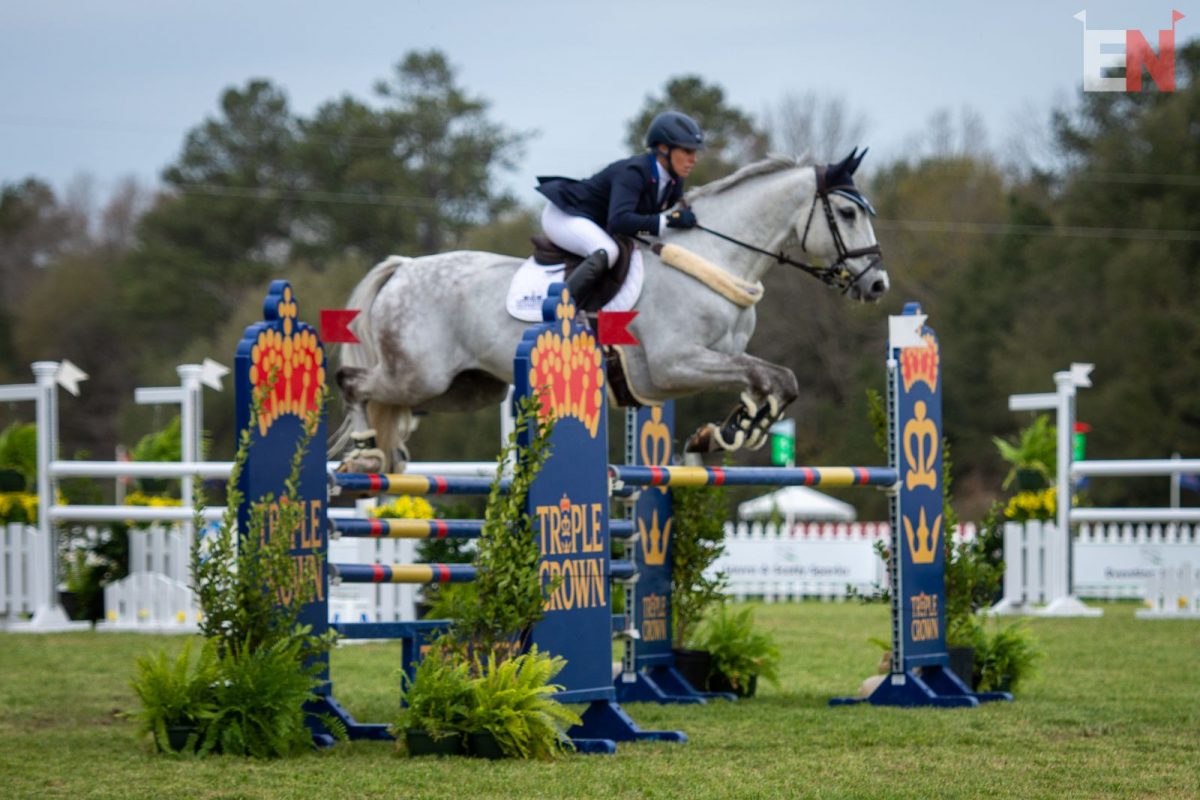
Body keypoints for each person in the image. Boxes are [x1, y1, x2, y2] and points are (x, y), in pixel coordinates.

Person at [535, 110, 705, 308]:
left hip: (597, 221)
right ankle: (560, 308)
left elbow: (645, 227)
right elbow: (620, 222)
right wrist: (667, 222)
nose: (694, 159)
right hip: (566, 215)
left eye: (695, 152)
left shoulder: (673, 179)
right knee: (607, 250)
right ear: (663, 148)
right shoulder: (634, 172)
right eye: (687, 151)